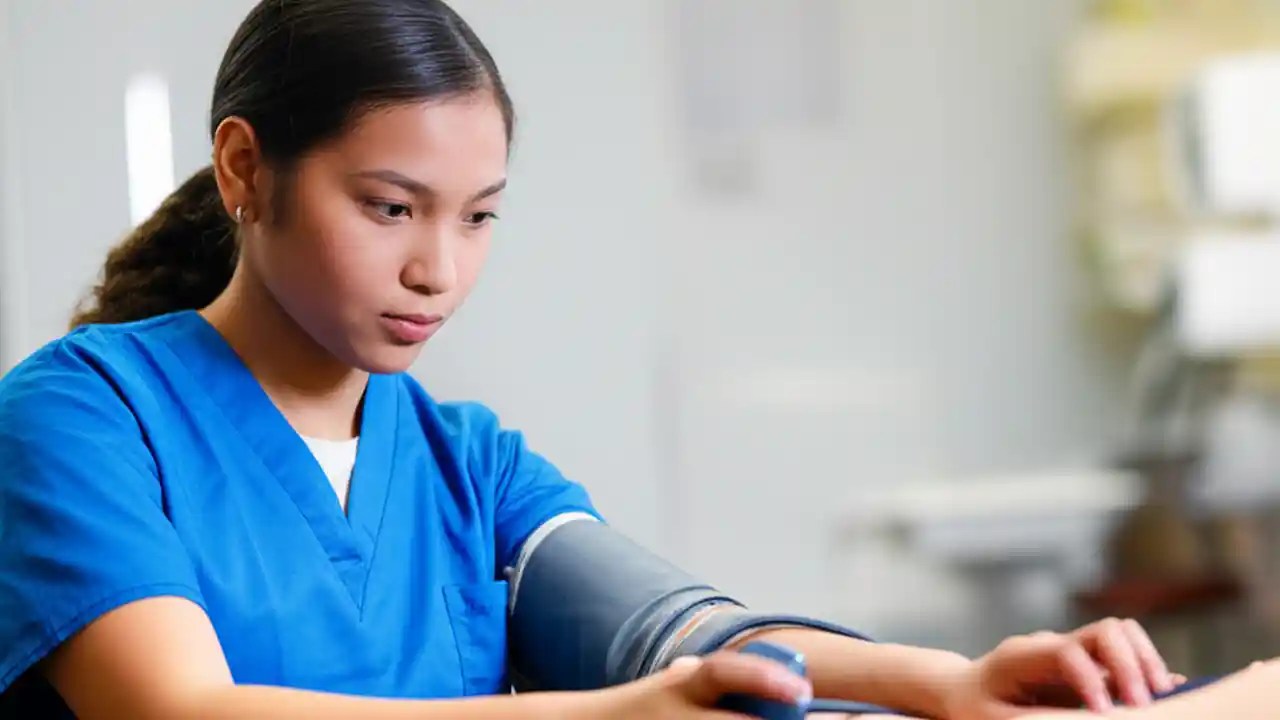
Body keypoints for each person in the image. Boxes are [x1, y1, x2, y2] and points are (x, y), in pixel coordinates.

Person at [0, 1, 1200, 718]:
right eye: (388, 208)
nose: (439, 269)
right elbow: (176, 710)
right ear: (245, 169)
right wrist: (614, 716)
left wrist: (940, 679)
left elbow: (665, 631)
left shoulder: (462, 461)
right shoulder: (81, 418)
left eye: (478, 217)